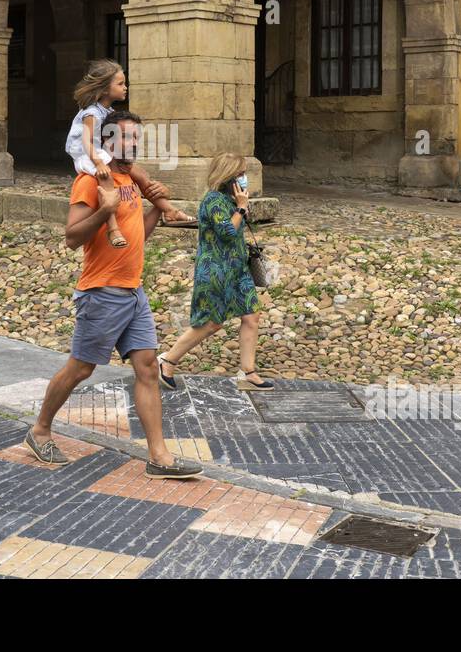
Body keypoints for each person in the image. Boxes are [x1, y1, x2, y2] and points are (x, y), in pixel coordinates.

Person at [27, 110, 203, 479]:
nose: (132, 145)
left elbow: (138, 233)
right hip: (101, 292)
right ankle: (40, 429)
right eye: (124, 138)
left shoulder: (131, 181)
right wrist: (104, 210)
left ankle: (159, 457)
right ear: (105, 142)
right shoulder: (91, 181)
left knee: (147, 369)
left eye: (136, 139)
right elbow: (72, 237)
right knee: (81, 368)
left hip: (133, 291)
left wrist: (157, 207)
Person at [158, 152, 275, 391]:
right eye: (239, 174)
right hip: (215, 271)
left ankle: (248, 372)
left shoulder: (230, 200)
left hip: (237, 270)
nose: (244, 179)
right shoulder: (213, 201)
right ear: (227, 177)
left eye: (244, 174)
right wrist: (242, 209)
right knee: (211, 322)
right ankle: (167, 361)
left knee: (251, 315)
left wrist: (239, 205)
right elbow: (227, 232)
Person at [65, 59, 193, 249]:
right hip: (87, 153)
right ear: (104, 89)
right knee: (106, 178)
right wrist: (99, 163)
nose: (125, 87)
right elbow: (87, 141)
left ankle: (168, 210)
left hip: (101, 151)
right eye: (120, 84)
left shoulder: (108, 111)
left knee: (140, 174)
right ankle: (113, 228)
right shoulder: (91, 112)